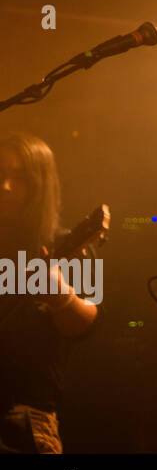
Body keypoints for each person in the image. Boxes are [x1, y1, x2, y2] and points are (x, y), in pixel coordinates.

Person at [0, 133, 98, 453]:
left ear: (40, 184)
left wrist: (60, 295)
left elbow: (86, 324)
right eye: (0, 175)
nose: (6, 187)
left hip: (24, 416)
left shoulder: (65, 245)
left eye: (20, 178)